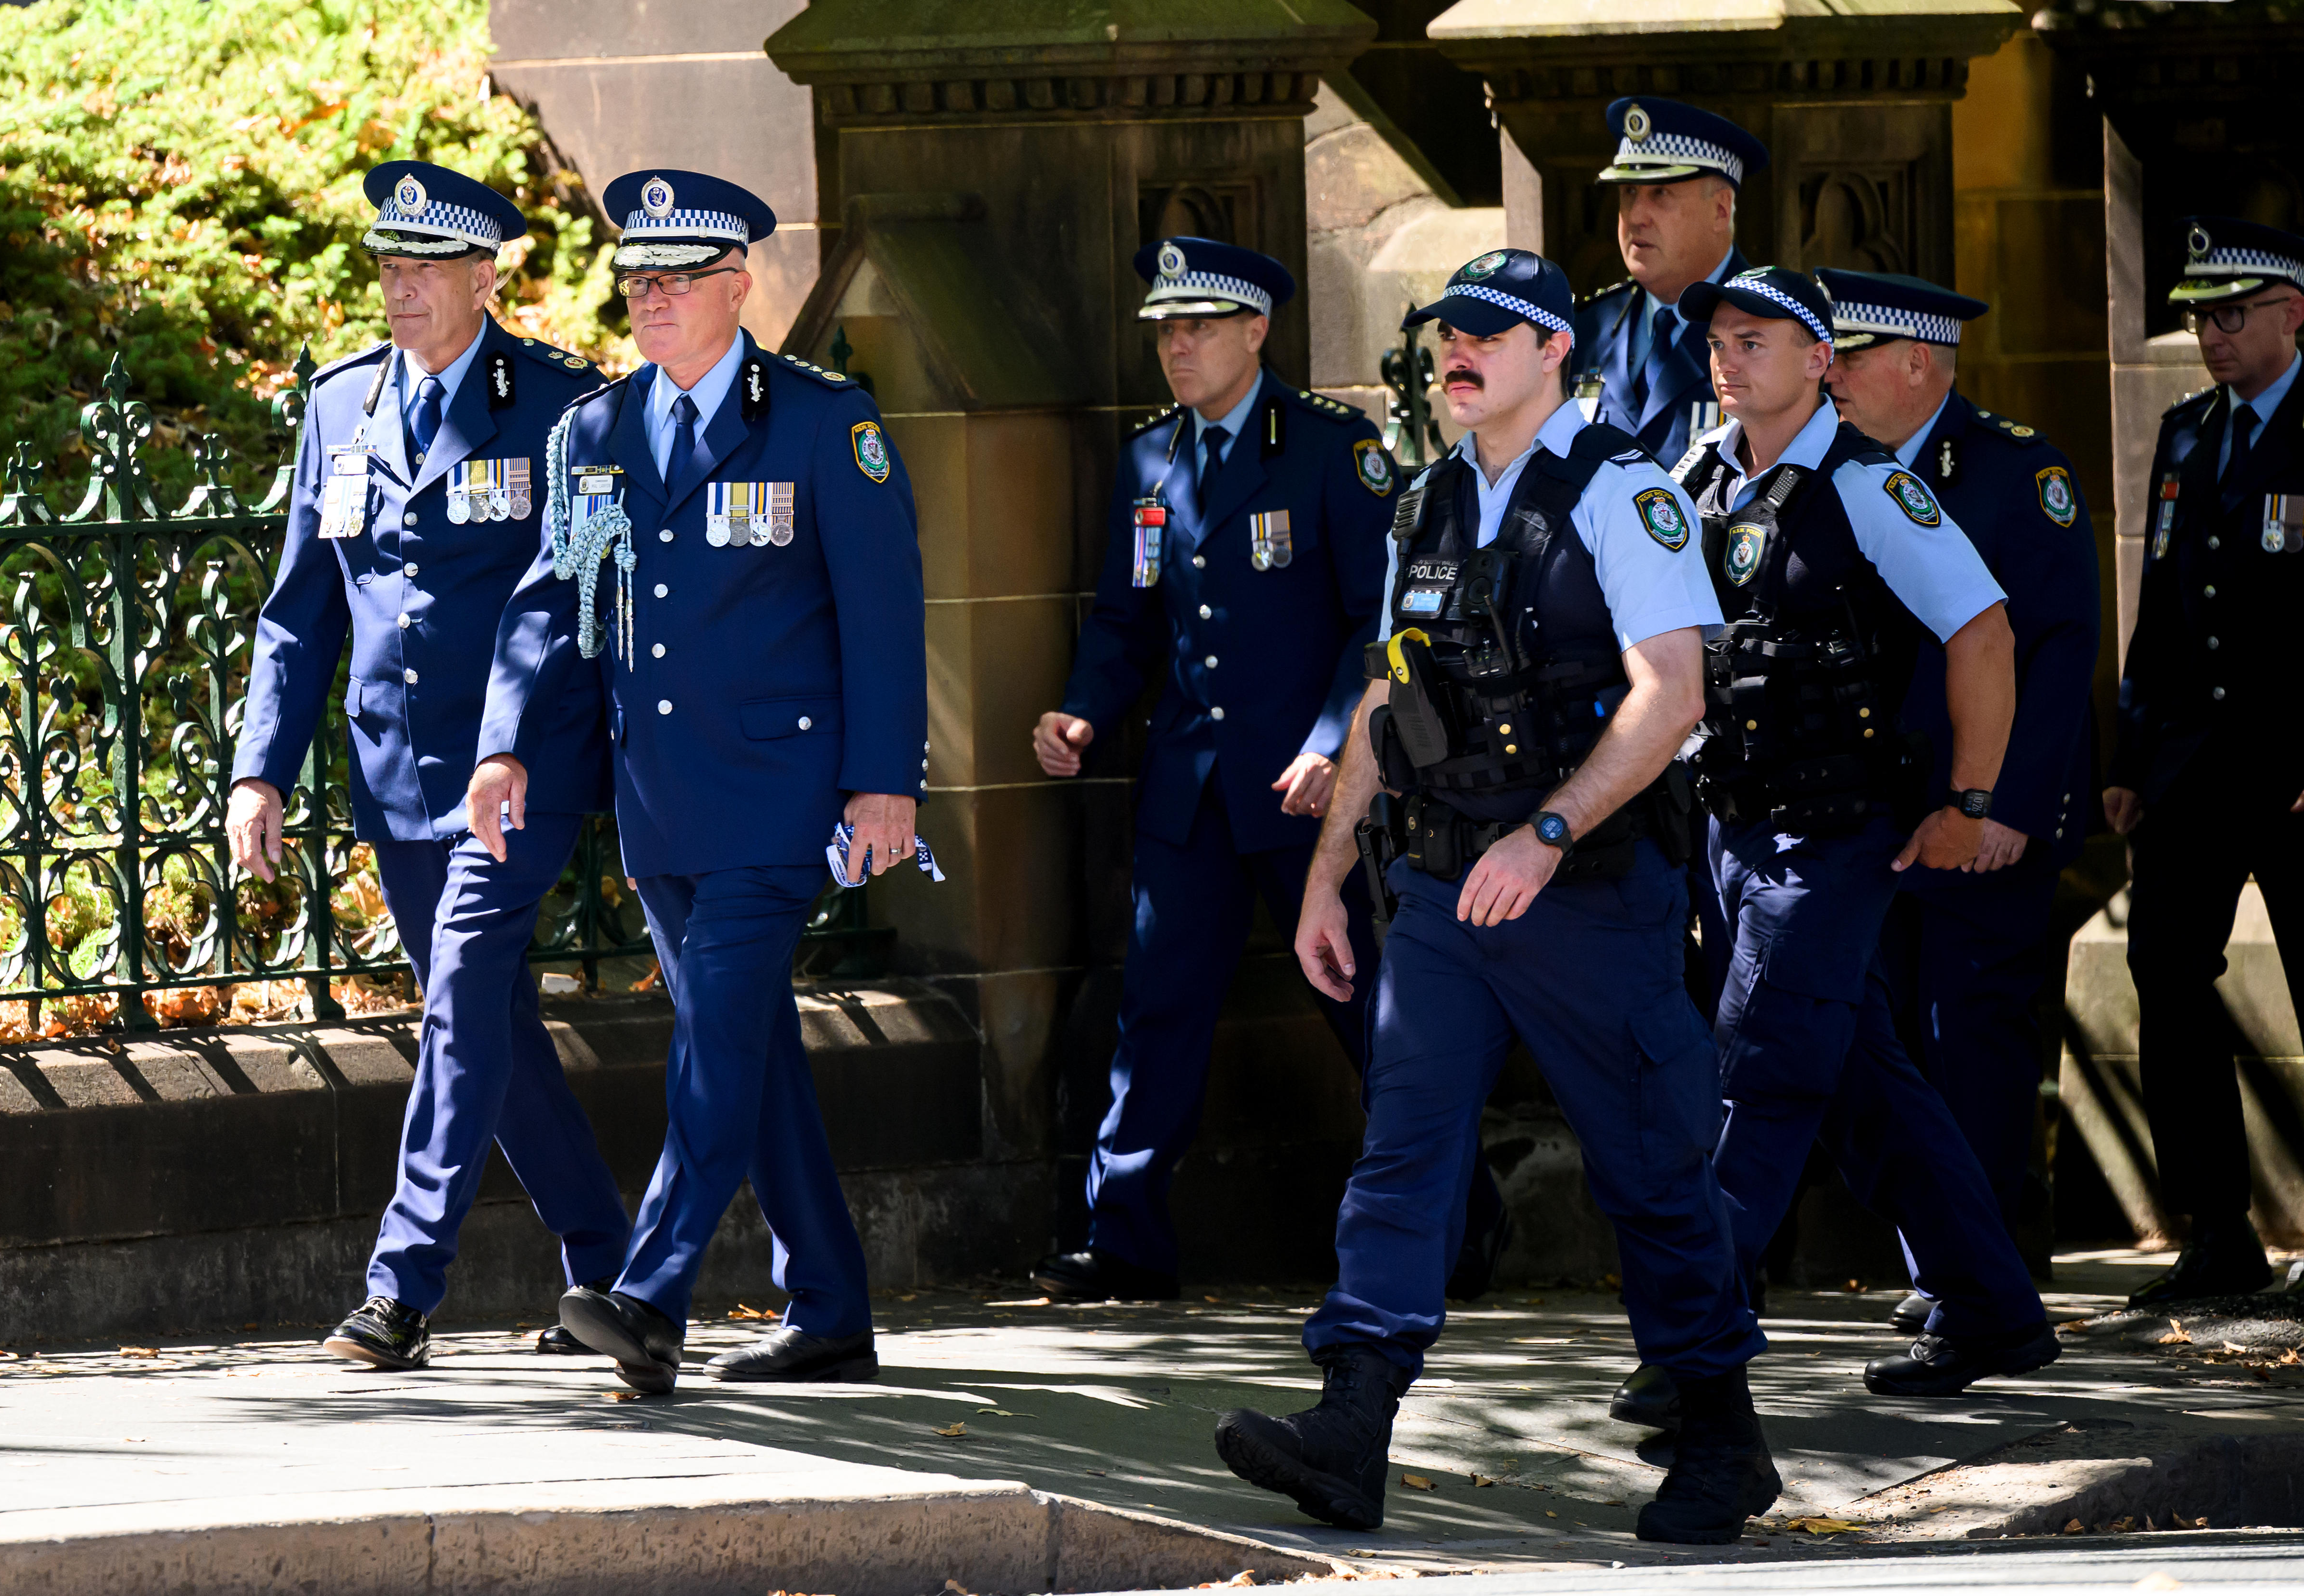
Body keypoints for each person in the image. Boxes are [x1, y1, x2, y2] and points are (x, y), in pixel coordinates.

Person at [1215, 249, 1777, 1546]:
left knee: (1649, 1170)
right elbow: (1383, 699)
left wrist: (1548, 829)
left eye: (1489, 333)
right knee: (1404, 1154)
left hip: (1585, 896)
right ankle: (1351, 1426)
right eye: (1444, 334)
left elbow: (1672, 693)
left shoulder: (1622, 491)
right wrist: (1325, 880)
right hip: (1438, 887)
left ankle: (1720, 1426)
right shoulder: (1427, 500)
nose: (1456, 352)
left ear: (1552, 353)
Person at [470, 169, 928, 1395]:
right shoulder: (597, 432)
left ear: (740, 286)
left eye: (676, 281)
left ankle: (650, 1296)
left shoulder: (826, 425)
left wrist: (885, 784)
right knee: (752, 1050)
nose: (649, 299)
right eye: (635, 280)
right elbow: (549, 599)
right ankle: (829, 1309)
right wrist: (506, 739)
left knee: (715, 1043)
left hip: (781, 796)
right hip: (661, 799)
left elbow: (884, 618)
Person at [1611, 267, 2059, 1432]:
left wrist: (1971, 795)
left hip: (1836, 834)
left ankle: (1693, 1337)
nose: (1727, 358)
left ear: (1819, 361)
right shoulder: (1698, 478)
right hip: (1731, 824)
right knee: (1865, 1081)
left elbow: (1985, 629)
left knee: (1760, 1064)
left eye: (1753, 339)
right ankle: (1993, 1308)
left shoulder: (1868, 487)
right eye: (1716, 339)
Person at [1030, 238, 1510, 1303]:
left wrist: (1334, 740)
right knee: (1157, 1006)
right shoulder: (1151, 458)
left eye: (1198, 325)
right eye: (1165, 327)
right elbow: (1125, 619)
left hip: (1309, 793)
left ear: (1257, 332)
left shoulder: (1331, 452)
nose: (1177, 344)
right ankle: (1129, 1239)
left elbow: (1372, 621)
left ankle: (1459, 1217)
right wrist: (1079, 711)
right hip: (1189, 787)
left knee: (1367, 1006)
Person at [227, 160, 627, 1370]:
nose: (397, 290)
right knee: (487, 1018)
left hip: (520, 769)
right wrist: (262, 772)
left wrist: (513, 740)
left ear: (482, 277)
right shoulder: (341, 404)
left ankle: (399, 1290)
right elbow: (299, 614)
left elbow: (575, 594)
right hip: (398, 772)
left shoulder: (560, 404)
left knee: (457, 1002)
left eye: (422, 269)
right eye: (386, 268)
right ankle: (606, 1266)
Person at [1820, 269, 2101, 1336]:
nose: (1830, 374)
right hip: (1876, 820)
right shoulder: (1834, 471)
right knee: (1890, 1037)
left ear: (1920, 364)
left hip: (1981, 818)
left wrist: (2002, 808)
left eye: (1850, 356)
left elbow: (2059, 649)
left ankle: (1991, 1272)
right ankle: (1944, 1258)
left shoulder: (2008, 472)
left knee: (1969, 1033)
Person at [2105, 216, 2304, 1307]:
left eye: (2230, 315)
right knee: (2166, 978)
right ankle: (2215, 1231)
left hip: (2294, 768)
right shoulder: (2186, 433)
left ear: (2292, 313)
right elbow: (2161, 609)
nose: (2210, 335)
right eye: (2196, 317)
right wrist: (2129, 752)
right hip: (2191, 767)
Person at [1572, 97, 1768, 470]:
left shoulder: (1774, 329)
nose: (1635, 216)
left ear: (1721, 210)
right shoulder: (1584, 329)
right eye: (1628, 192)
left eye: (1660, 193)